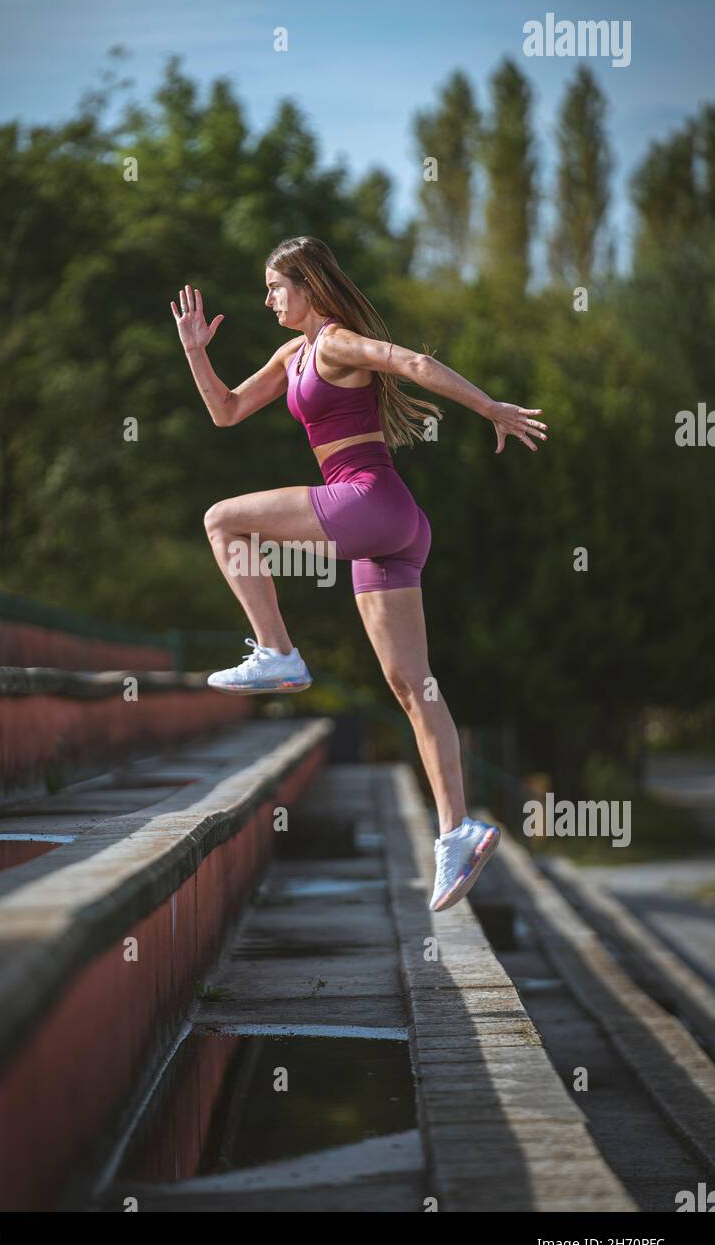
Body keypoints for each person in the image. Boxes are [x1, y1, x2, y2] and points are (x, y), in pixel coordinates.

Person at [170, 236, 548, 911]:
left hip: (369, 501)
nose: (267, 299)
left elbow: (411, 361)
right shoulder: (293, 354)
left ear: (309, 286)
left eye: (276, 287)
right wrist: (197, 352)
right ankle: (458, 830)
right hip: (394, 528)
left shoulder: (337, 342)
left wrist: (490, 407)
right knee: (412, 685)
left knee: (222, 520)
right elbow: (224, 411)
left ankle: (278, 653)